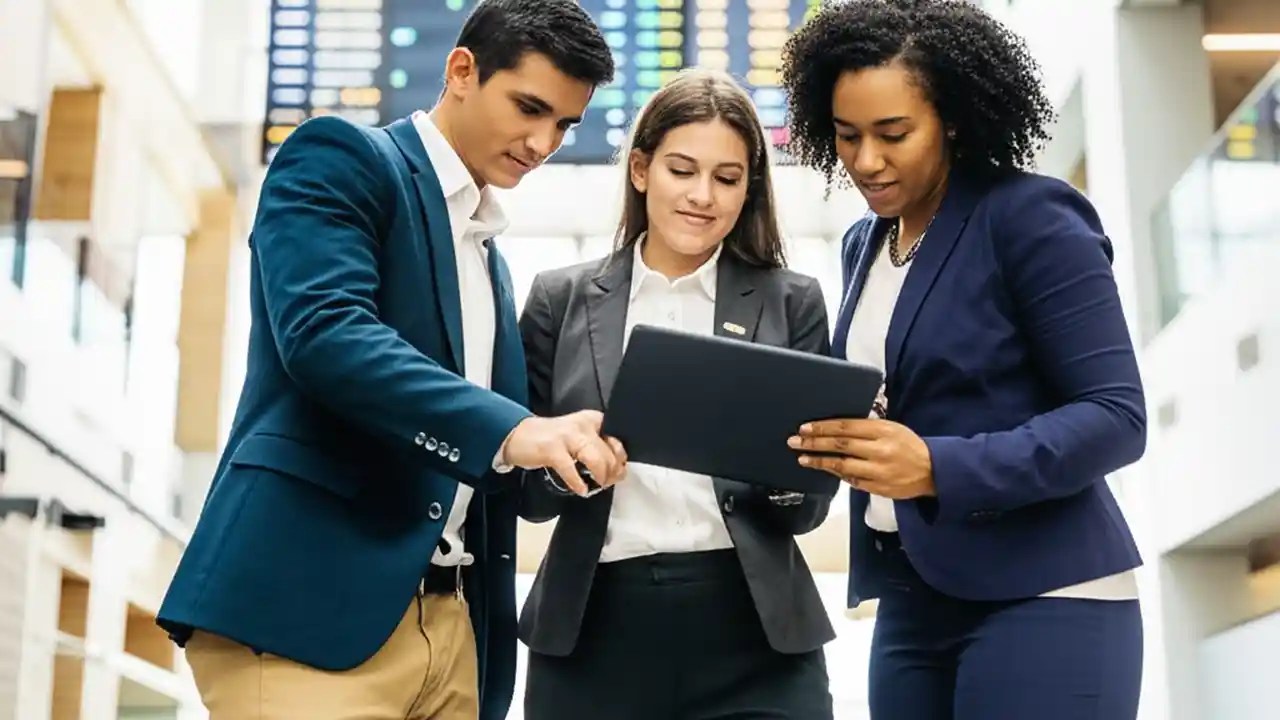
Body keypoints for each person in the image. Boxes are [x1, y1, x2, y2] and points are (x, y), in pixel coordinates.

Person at [155, 2, 625, 718]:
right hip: (307, 611)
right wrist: (511, 428)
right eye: (529, 107)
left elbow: (490, 469)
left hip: (453, 630)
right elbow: (325, 333)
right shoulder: (342, 157)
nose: (542, 141)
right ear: (461, 70)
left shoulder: (489, 259)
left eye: (564, 124)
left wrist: (569, 459)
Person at [779, 1, 1147, 719]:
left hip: (1046, 595)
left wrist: (936, 468)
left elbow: (1116, 417)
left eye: (893, 134)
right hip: (914, 598)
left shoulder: (1029, 216)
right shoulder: (865, 244)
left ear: (950, 118)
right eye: (846, 134)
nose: (865, 160)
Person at [516, 68, 836, 720]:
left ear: (749, 190)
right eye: (681, 170)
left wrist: (782, 467)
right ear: (640, 169)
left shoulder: (791, 301)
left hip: (754, 634)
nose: (702, 196)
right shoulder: (559, 299)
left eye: (727, 178)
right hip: (594, 632)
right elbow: (523, 493)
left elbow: (806, 509)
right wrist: (570, 465)